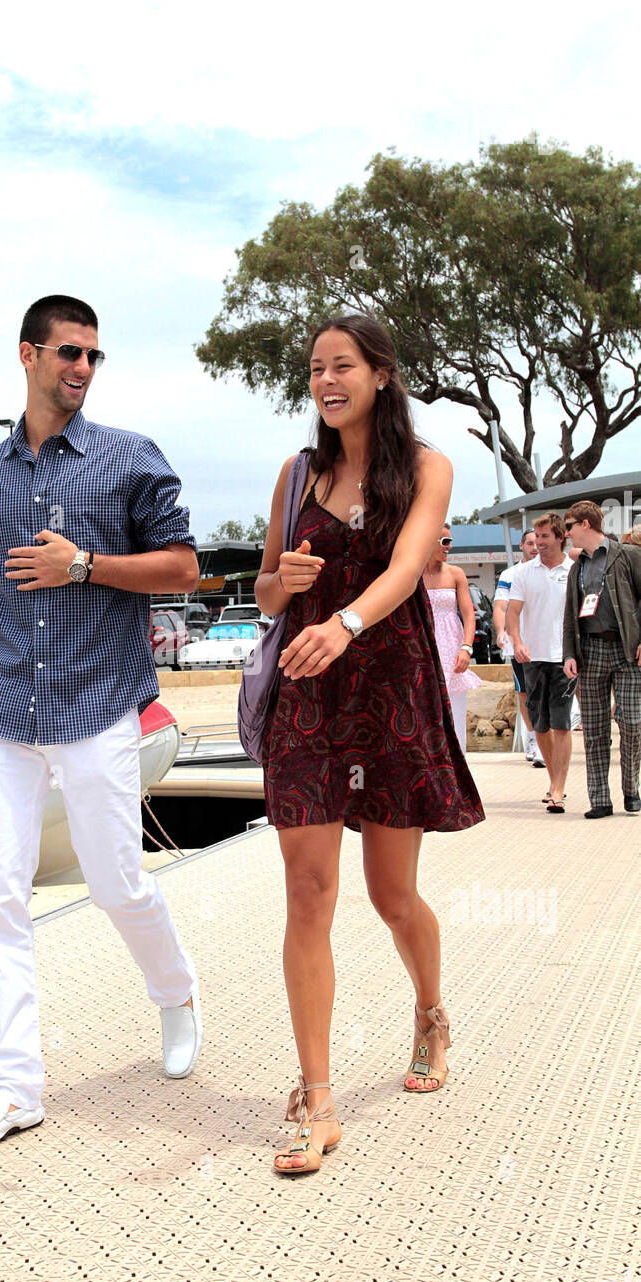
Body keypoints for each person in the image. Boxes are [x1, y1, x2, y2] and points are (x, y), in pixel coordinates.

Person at [0, 295, 202, 1153]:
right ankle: (14, 1086)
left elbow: (185, 568)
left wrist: (82, 564)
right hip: (5, 714)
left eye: (93, 356)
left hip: (97, 706)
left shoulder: (131, 459)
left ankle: (174, 993)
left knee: (114, 881)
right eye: (68, 354)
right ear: (28, 356)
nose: (82, 369)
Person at [256, 313, 485, 1178]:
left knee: (394, 898)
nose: (326, 381)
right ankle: (315, 1098)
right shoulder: (294, 475)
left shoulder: (429, 468)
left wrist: (347, 620)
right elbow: (269, 596)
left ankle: (430, 1011)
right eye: (315, 368)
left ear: (382, 374)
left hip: (390, 693)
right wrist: (287, 581)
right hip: (310, 697)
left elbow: (406, 567)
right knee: (309, 894)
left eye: (342, 365)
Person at [563, 502, 641, 818]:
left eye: (569, 526)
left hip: (626, 650)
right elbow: (569, 615)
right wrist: (569, 653)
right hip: (590, 651)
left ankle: (631, 789)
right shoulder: (576, 567)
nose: (565, 533)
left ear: (585, 524)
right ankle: (600, 800)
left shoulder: (628, 555)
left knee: (633, 723)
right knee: (594, 730)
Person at [506, 514, 574, 813]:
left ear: (560, 537)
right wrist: (517, 642)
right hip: (532, 657)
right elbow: (512, 611)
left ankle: (559, 788)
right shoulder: (523, 573)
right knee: (540, 724)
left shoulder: (574, 570)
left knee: (561, 722)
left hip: (564, 657)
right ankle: (553, 780)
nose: (539, 543)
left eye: (545, 536)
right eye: (536, 536)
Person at [423, 524, 482, 751]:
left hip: (453, 651)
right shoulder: (412, 574)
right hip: (424, 647)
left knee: (455, 716)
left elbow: (469, 615)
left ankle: (460, 770)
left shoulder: (456, 574)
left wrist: (466, 648)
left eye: (450, 541)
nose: (449, 547)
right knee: (427, 713)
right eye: (444, 542)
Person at [493, 530, 543, 764]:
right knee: (525, 693)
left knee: (547, 692)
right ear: (521, 545)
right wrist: (501, 630)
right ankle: (534, 739)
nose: (535, 547)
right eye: (530, 543)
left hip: (547, 644)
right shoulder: (509, 574)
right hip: (519, 644)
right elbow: (501, 607)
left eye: (538, 542)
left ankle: (547, 739)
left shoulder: (552, 571)